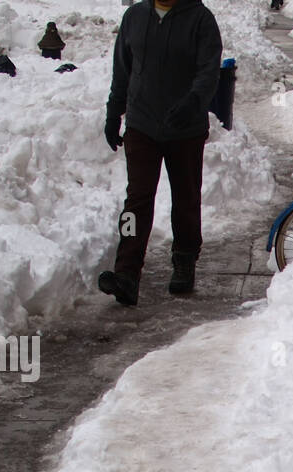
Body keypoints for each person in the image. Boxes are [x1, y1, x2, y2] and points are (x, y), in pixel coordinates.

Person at [98, 0, 222, 306]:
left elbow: (209, 73)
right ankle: (126, 272)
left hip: (185, 128)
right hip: (142, 124)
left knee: (186, 197)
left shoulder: (201, 19)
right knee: (136, 199)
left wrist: (193, 103)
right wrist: (114, 113)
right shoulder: (134, 17)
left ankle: (185, 259)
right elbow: (122, 70)